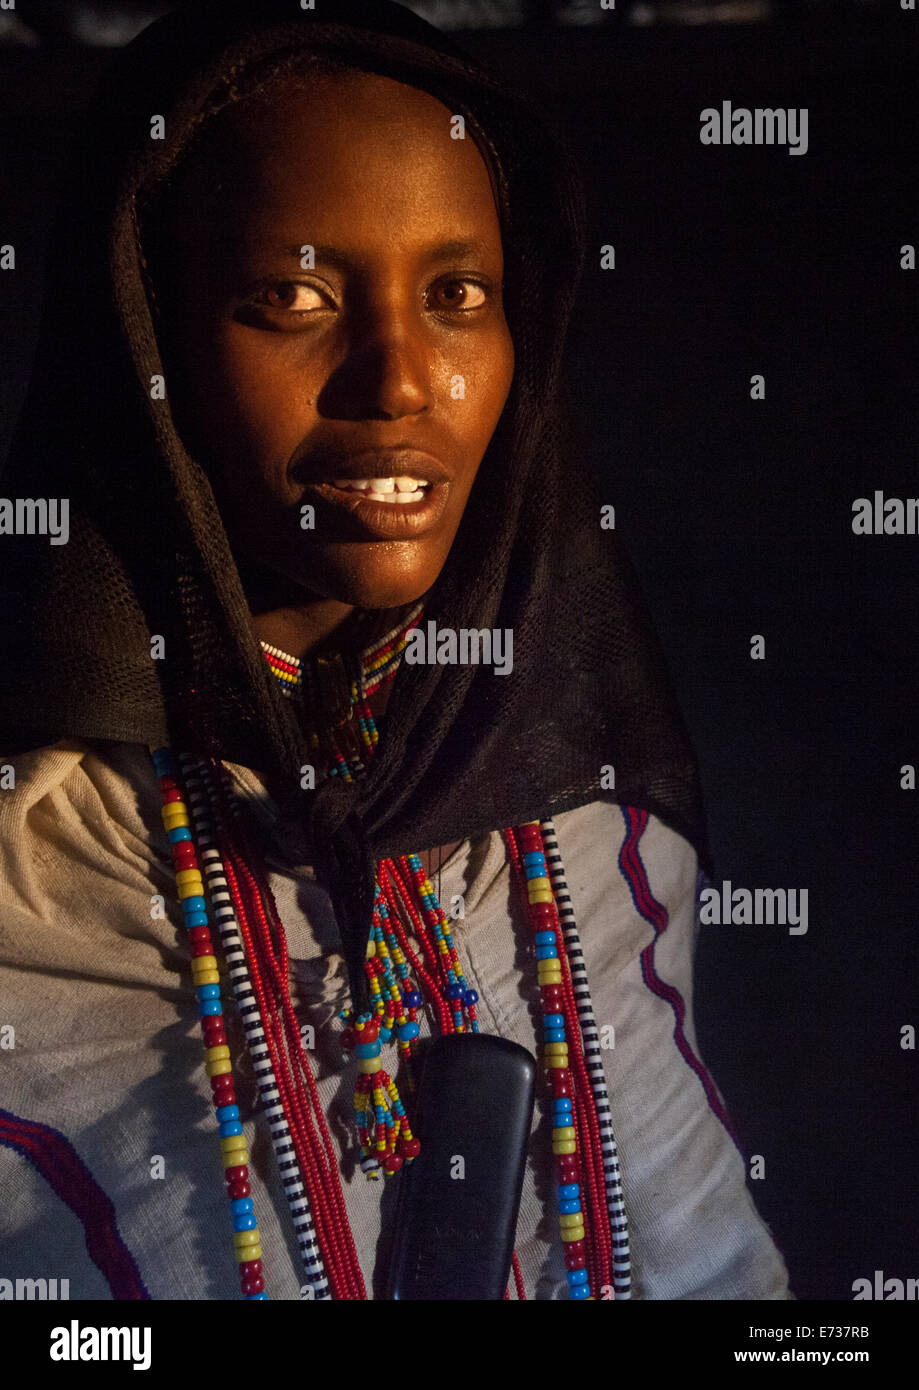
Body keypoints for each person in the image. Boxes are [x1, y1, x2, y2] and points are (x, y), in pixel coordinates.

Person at [0, 0, 791, 1301]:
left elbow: (711, 1271)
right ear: (148, 338)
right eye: (293, 297)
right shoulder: (38, 869)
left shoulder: (579, 831)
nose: (399, 379)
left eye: (457, 295)